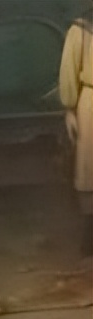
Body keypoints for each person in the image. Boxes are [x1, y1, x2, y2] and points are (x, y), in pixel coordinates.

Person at [59, 5, 93, 254]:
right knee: (89, 169)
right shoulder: (82, 28)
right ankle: (89, 234)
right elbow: (70, 68)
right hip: (91, 103)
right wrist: (69, 108)